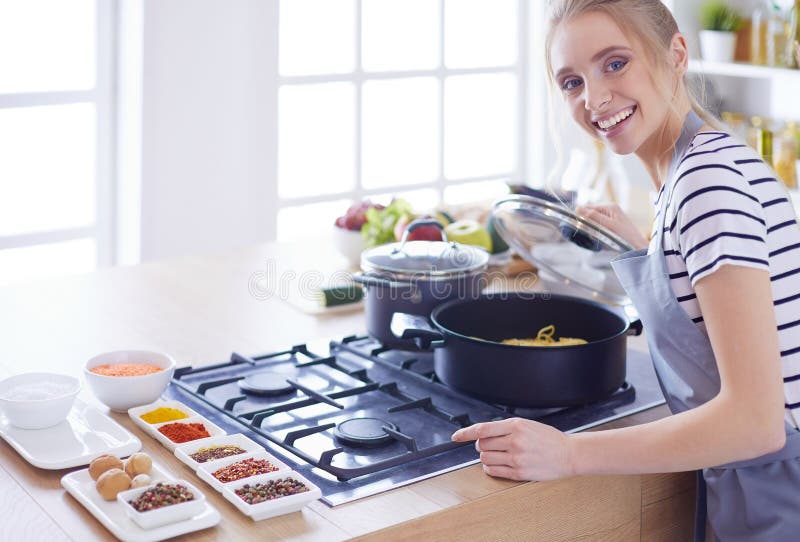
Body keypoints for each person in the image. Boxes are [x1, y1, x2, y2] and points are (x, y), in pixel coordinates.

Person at [451, 1, 800, 540]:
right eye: (571, 82)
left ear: (677, 53)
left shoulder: (706, 183)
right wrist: (648, 249)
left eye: (615, 63)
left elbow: (756, 422)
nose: (594, 98)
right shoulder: (695, 168)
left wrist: (567, 453)